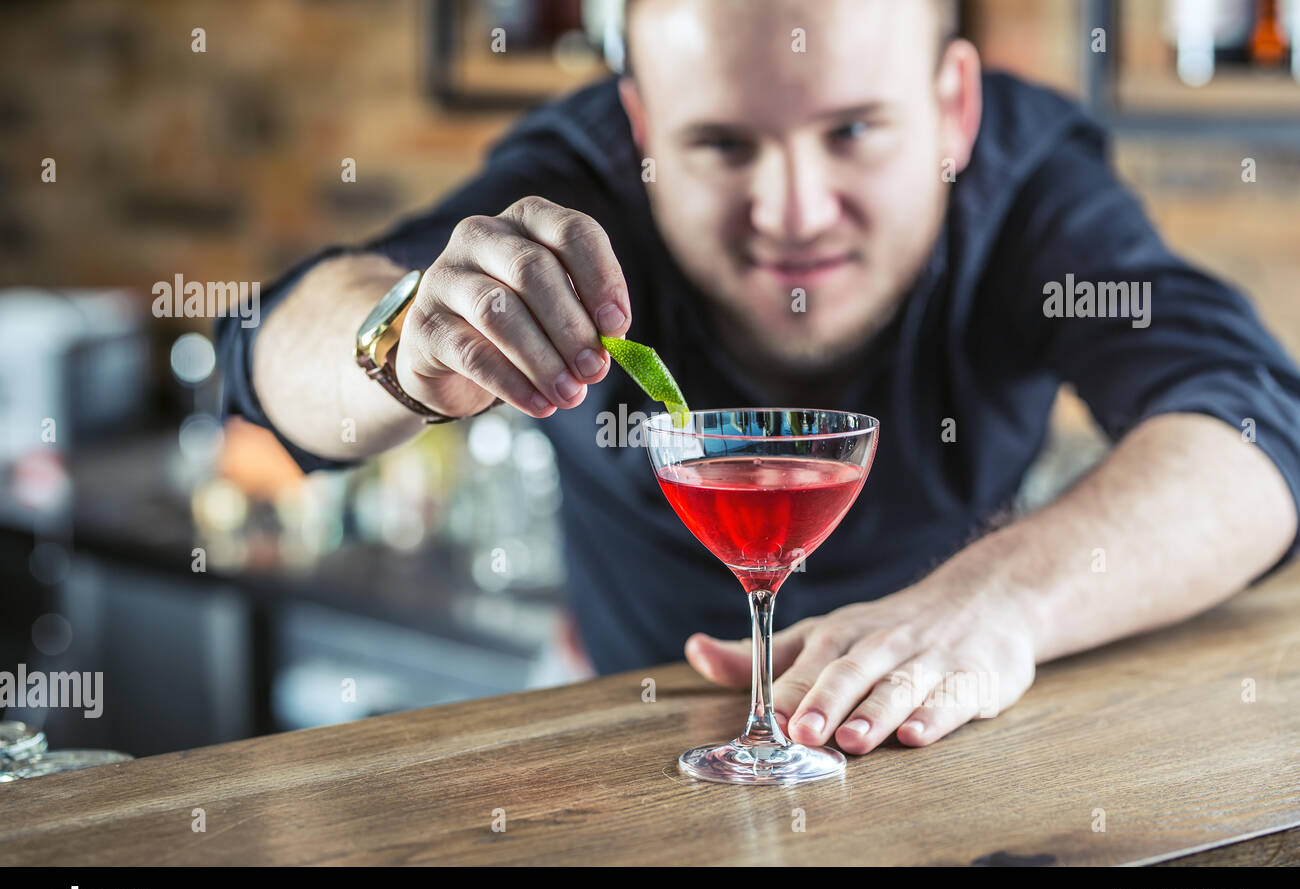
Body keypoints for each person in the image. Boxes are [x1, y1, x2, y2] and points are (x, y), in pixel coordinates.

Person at [216, 0, 1300, 757]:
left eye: (856, 131)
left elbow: (1258, 424)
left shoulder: (1030, 188)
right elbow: (268, 349)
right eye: (723, 146)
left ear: (952, 109)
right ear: (639, 126)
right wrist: (403, 338)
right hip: (619, 722)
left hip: (949, 728)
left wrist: (998, 602)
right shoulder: (583, 180)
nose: (791, 211)